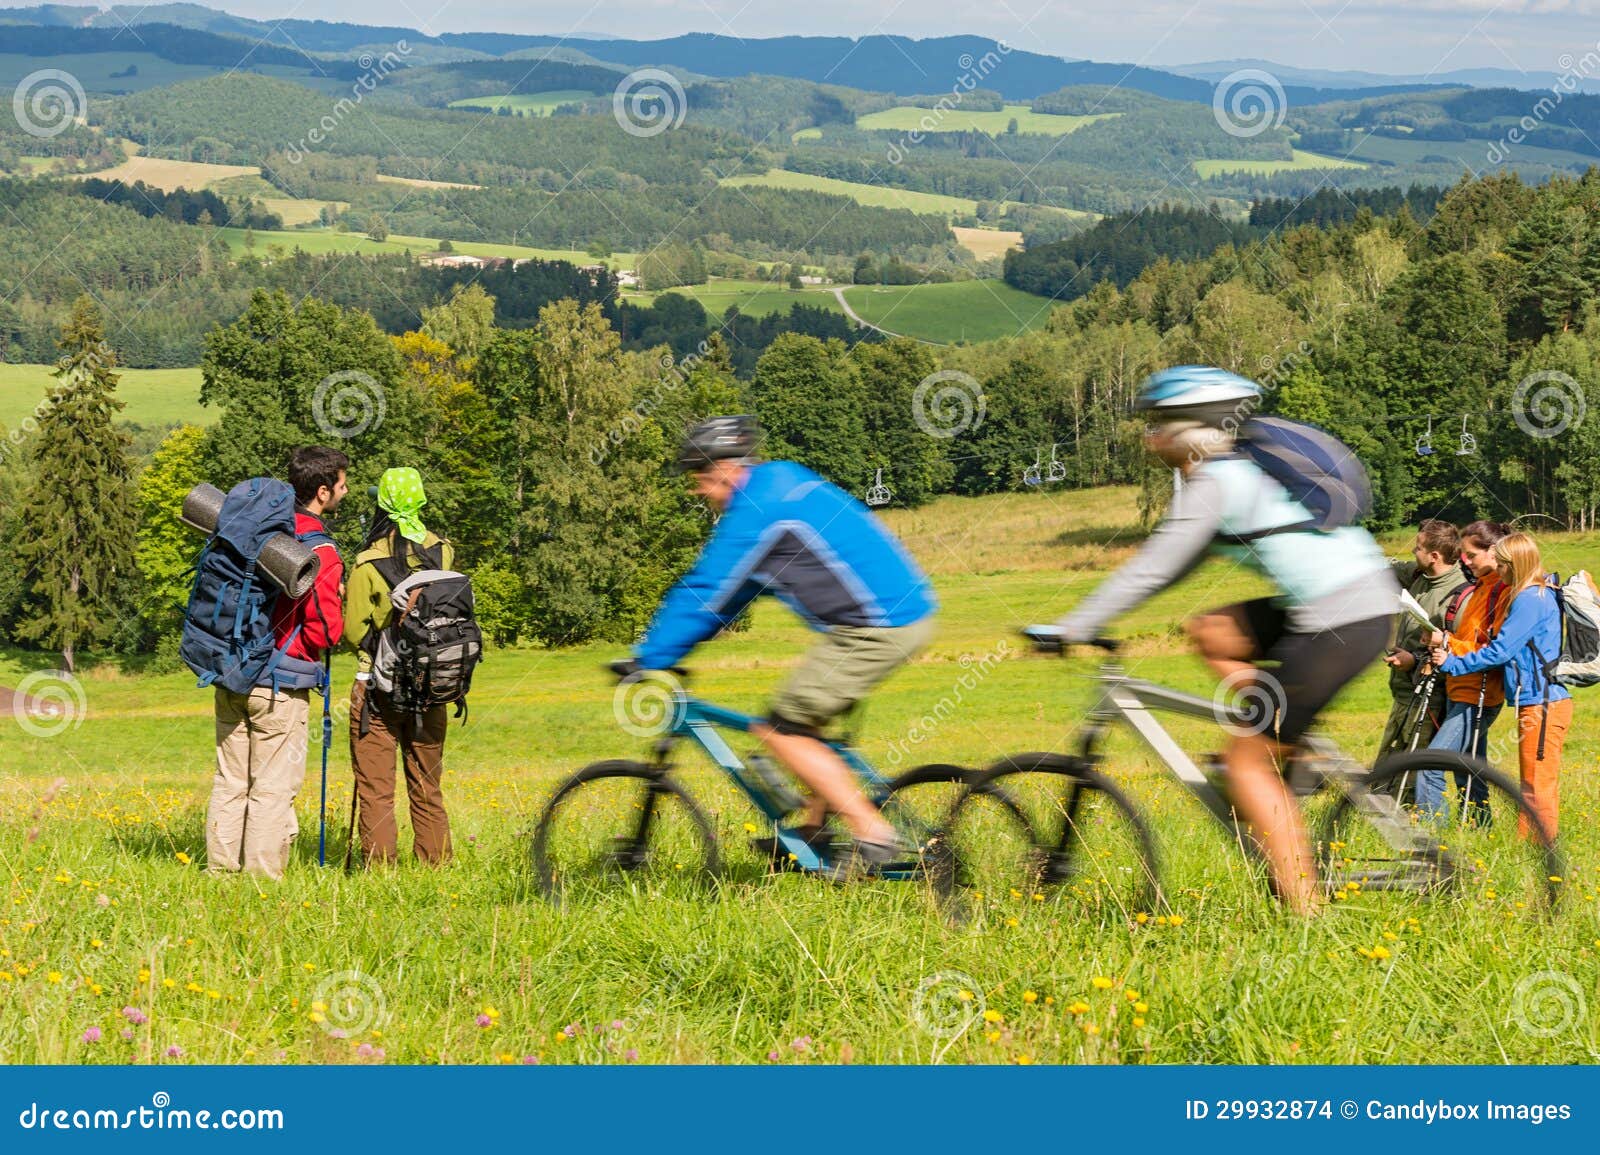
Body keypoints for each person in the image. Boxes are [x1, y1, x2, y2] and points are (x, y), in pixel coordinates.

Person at [1032, 367, 1398, 915]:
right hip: (1349, 602)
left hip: (1337, 619)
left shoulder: (1218, 480)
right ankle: (1286, 744)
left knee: (1246, 764)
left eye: (1159, 422)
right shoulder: (1246, 471)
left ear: (1192, 429)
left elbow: (1151, 570)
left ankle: (1306, 915)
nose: (1150, 435)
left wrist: (1073, 627)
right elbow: (1175, 567)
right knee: (1210, 631)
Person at [631, 416, 937, 868]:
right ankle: (814, 837)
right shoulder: (781, 480)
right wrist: (684, 644)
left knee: (779, 729)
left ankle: (875, 835)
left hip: (876, 627)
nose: (697, 490)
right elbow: (734, 594)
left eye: (698, 477)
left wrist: (651, 656)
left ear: (723, 469)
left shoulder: (755, 510)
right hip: (901, 614)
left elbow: (705, 590)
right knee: (805, 727)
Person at [206, 446, 347, 879]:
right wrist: (339, 601)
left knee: (230, 781)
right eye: (342, 484)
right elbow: (326, 632)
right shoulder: (318, 549)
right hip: (280, 686)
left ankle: (219, 873)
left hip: (232, 672)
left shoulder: (255, 530)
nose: (346, 490)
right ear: (323, 492)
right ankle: (261, 884)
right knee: (272, 787)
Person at [343, 468, 457, 865]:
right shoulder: (443, 550)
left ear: (383, 506)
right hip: (433, 684)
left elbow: (354, 631)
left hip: (378, 686)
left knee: (376, 788)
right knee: (428, 784)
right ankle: (436, 865)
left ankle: (380, 871)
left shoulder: (367, 563)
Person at [1431, 532, 1568, 842]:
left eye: (1501, 564)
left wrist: (1452, 663)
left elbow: (1500, 651)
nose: (1498, 570)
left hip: (1544, 702)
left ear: (1514, 563)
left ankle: (1538, 851)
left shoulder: (1531, 598)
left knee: (1537, 783)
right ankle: (1532, 848)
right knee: (1533, 781)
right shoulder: (1535, 594)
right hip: (1536, 700)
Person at [1417, 520, 1510, 821]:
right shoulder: (1480, 588)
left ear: (1494, 551)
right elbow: (1471, 640)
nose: (1465, 560)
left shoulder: (1501, 591)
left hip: (1479, 694)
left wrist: (1444, 641)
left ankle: (1432, 844)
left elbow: (1492, 650)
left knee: (1430, 764)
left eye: (1471, 554)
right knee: (1470, 768)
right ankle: (1479, 827)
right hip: (1462, 688)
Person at [1378, 520, 1466, 757]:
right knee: (1384, 772)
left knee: (1413, 774)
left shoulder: (1459, 596)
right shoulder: (1420, 575)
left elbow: (1459, 652)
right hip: (1403, 693)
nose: (1413, 551)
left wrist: (1414, 661)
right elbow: (1387, 569)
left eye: (1418, 548)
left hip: (1429, 701)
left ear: (1434, 556)